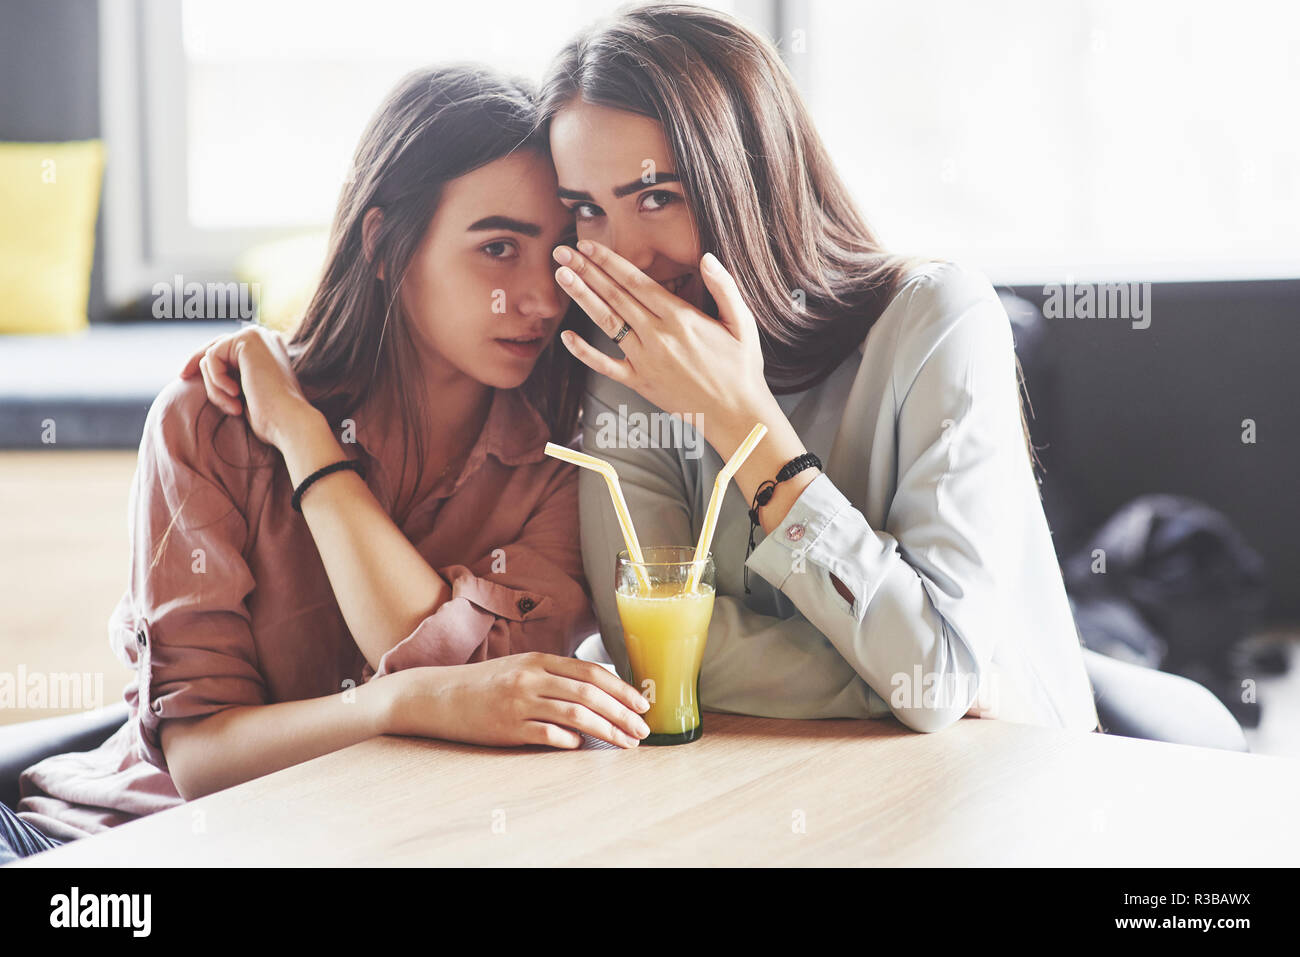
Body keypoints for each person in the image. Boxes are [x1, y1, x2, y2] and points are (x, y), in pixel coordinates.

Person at [3, 65, 651, 865]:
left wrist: (308, 443)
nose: (539, 299)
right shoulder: (211, 423)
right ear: (384, 245)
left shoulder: (562, 460)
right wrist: (402, 704)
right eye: (496, 248)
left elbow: (486, 688)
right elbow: (201, 758)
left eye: (554, 254)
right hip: (117, 845)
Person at [538, 4, 1099, 733]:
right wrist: (903, 676)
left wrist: (744, 417)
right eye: (587, 210)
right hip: (782, 786)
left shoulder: (938, 322)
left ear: (752, 180)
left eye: (656, 198)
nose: (625, 257)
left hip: (1003, 782)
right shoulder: (624, 360)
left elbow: (932, 675)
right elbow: (654, 657)